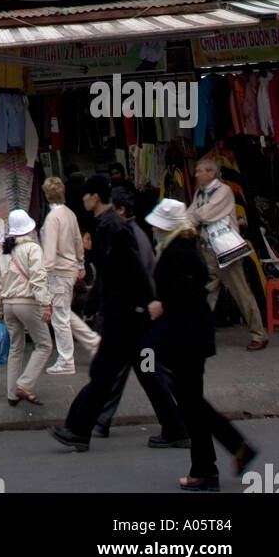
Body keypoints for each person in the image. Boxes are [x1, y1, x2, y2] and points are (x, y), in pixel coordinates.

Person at [50, 175, 189, 452]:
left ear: (95, 197)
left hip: (125, 318)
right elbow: (110, 274)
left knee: (104, 373)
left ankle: (79, 430)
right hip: (131, 318)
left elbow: (129, 270)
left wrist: (143, 304)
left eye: (87, 195)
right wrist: (94, 304)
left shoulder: (113, 228)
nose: (83, 199)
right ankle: (175, 428)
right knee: (148, 374)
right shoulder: (109, 226)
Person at [147, 198, 257, 492]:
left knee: (191, 404)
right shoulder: (177, 248)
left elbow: (187, 295)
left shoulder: (180, 253)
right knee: (192, 403)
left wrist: (162, 306)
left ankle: (210, 468)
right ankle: (221, 458)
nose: (154, 228)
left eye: (158, 224)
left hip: (187, 339)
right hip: (186, 338)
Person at [91, 187, 176, 439]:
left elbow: (136, 279)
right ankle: (102, 420)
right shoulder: (128, 235)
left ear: (121, 211)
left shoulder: (131, 237)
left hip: (137, 319)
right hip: (136, 318)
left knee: (147, 372)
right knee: (142, 371)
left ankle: (176, 420)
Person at [185, 157, 267, 350]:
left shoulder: (223, 191)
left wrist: (195, 217)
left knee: (240, 292)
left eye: (200, 171)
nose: (196, 174)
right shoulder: (200, 193)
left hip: (225, 250)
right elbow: (190, 215)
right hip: (207, 249)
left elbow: (202, 215)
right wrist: (194, 217)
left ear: (211, 173)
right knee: (206, 292)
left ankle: (259, 334)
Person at [39, 177, 100, 376]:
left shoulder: (52, 219)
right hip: (70, 269)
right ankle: (93, 342)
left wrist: (42, 274)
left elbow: (49, 251)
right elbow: (77, 240)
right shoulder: (69, 214)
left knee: (60, 317)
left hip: (58, 270)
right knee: (63, 312)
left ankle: (66, 360)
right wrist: (80, 263)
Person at [0, 209, 52, 405]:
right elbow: (38, 279)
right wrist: (45, 304)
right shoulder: (33, 249)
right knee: (44, 345)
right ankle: (25, 384)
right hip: (27, 302)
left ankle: (12, 393)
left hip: (8, 304)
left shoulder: (3, 251)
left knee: (15, 348)